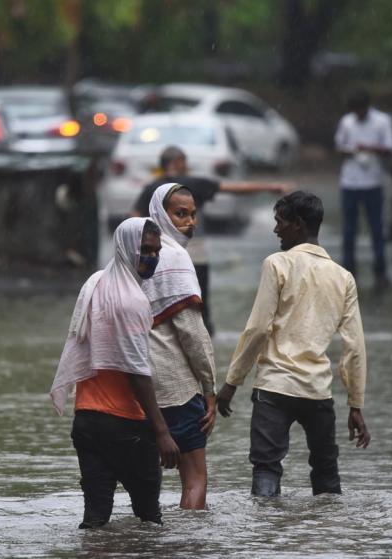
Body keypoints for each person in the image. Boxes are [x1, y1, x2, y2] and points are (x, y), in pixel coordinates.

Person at [216, 190, 370, 497]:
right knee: (326, 471)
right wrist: (356, 404)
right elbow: (355, 346)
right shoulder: (343, 277)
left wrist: (232, 382)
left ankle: (268, 539)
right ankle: (326, 539)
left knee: (266, 468)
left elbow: (259, 329)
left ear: (298, 224)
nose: (276, 230)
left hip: (274, 387)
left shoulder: (277, 264)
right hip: (317, 390)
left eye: (280, 222)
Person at [50, 217, 181, 528]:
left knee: (95, 520)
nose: (152, 257)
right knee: (150, 522)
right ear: (126, 249)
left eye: (156, 251)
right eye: (146, 250)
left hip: (87, 421)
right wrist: (162, 431)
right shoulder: (132, 301)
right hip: (128, 427)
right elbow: (136, 370)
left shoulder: (96, 283)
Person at [132, 145, 290, 335]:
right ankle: (204, 336)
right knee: (199, 302)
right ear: (179, 162)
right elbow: (233, 188)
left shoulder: (152, 188)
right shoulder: (193, 184)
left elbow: (134, 217)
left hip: (160, 253)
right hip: (194, 252)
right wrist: (271, 187)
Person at [141, 182, 218, 510]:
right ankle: (189, 543)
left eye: (193, 214)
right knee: (195, 478)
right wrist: (210, 388)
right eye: (180, 214)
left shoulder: (134, 253)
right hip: (176, 388)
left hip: (135, 387)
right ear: (161, 213)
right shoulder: (175, 258)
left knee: (144, 483)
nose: (190, 222)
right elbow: (193, 335)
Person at [334, 88, 392, 288]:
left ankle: (380, 271)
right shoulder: (347, 122)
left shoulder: (382, 121)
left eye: (360, 110)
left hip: (372, 182)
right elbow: (339, 147)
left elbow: (389, 148)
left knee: (376, 228)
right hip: (350, 182)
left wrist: (369, 148)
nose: (357, 115)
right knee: (349, 230)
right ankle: (349, 272)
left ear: (367, 107)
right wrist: (351, 151)